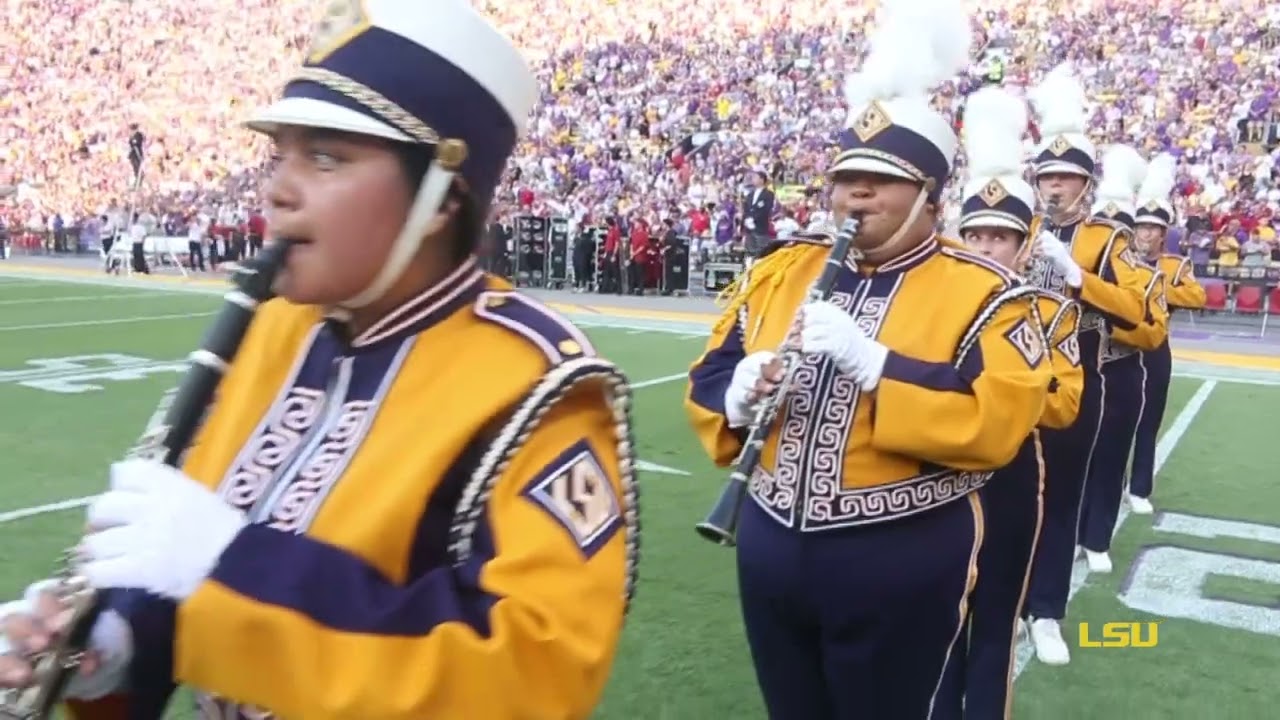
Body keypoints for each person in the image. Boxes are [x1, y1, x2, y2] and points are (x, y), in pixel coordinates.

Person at [0, 2, 640, 719]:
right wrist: (114, 648)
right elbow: (186, 579)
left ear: (441, 197)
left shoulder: (536, 385)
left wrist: (234, 563)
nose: (277, 189)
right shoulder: (275, 329)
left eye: (327, 157)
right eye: (279, 155)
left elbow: (532, 677)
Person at [684, 1, 1051, 716]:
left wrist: (878, 366)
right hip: (768, 541)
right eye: (847, 174)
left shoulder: (987, 292)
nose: (856, 190)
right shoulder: (781, 271)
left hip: (900, 552)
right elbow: (712, 372)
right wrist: (738, 396)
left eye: (883, 178)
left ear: (930, 198)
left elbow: (998, 422)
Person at [938, 84, 1082, 720]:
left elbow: (1065, 405)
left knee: (994, 623)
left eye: (1001, 236)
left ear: (1025, 244)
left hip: (1011, 480)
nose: (987, 247)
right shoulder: (934, 308)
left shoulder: (1053, 312)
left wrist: (1012, 382)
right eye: (976, 234)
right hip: (941, 477)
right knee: (940, 625)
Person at [1020, 64, 1151, 667]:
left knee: (1062, 493)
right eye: (1046, 176)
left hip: (1077, 374)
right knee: (1004, 492)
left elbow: (1134, 309)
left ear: (1085, 183)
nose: (1054, 187)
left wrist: (1078, 276)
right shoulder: (1017, 229)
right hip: (1013, 371)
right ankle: (1001, 601)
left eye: (1065, 177)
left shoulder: (1107, 238)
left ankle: (1046, 610)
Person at [1077, 144, 1169, 574]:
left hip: (1119, 372)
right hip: (1076, 371)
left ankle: (1097, 539)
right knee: (1072, 463)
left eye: (1119, 228)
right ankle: (1073, 533)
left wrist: (1105, 321)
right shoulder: (1073, 269)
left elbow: (1152, 333)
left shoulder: (1147, 277)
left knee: (1110, 460)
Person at [1128, 154, 1206, 515]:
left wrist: (1157, 286)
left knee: (1149, 420)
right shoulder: (1120, 260)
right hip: (1119, 347)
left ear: (1163, 233)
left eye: (1152, 228)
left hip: (1155, 348)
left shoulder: (1175, 265)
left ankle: (1139, 489)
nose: (1145, 234)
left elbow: (1197, 297)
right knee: (1112, 422)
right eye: (1140, 227)